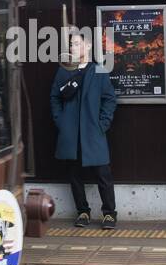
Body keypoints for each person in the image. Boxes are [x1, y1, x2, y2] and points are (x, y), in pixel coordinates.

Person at [50, 31, 118, 228]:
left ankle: (109, 213)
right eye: (71, 44)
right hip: (70, 132)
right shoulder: (64, 70)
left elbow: (109, 99)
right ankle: (83, 212)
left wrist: (103, 123)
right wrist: (60, 121)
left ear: (87, 46)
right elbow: (54, 97)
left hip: (93, 131)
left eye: (77, 44)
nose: (73, 48)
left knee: (103, 173)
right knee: (74, 174)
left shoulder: (98, 70)